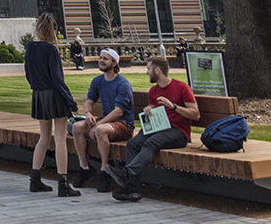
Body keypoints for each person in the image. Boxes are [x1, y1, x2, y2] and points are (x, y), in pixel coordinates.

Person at [110, 56, 198, 202]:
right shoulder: (153, 90)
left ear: (158, 70)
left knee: (150, 143)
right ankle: (131, 190)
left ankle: (128, 173)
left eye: (148, 68)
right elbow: (154, 106)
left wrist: (174, 107)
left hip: (179, 131)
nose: (147, 72)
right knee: (133, 143)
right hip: (159, 127)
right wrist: (149, 108)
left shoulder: (182, 87)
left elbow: (196, 114)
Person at [24, 13, 80, 197]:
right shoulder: (51, 49)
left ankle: (35, 178)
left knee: (44, 137)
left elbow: (28, 73)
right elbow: (58, 78)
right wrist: (71, 102)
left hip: (38, 94)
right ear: (53, 30)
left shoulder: (30, 47)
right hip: (53, 95)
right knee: (60, 138)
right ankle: (63, 183)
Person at [70, 48, 135, 192]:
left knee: (99, 130)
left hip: (124, 125)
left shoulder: (122, 84)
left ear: (114, 62)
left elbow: (118, 112)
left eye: (105, 59)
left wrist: (97, 124)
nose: (101, 61)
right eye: (100, 58)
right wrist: (88, 114)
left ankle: (104, 171)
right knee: (77, 127)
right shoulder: (97, 81)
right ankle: (84, 167)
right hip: (107, 122)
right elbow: (88, 101)